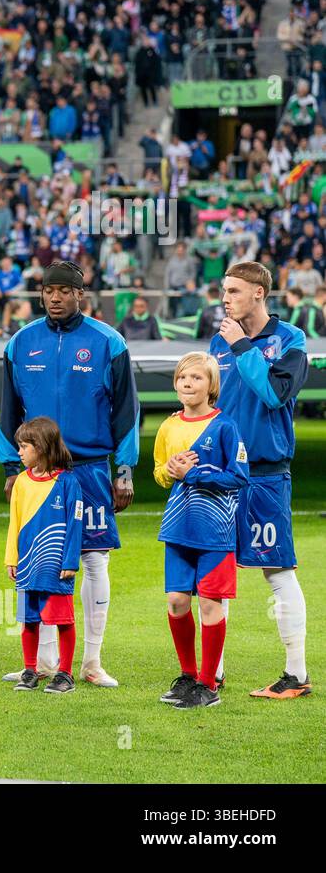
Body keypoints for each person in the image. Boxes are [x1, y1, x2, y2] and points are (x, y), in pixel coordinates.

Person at [0, 261, 139, 688]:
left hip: (90, 470)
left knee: (94, 562)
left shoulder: (108, 342)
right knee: (36, 563)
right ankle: (41, 662)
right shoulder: (21, 343)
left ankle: (91, 663)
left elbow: (127, 412)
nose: (55, 297)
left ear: (81, 294)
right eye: (48, 290)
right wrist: (10, 466)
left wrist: (125, 469)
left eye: (64, 290)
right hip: (40, 474)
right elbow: (9, 412)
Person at [209, 262, 312, 699]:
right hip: (219, 476)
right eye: (224, 290)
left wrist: (242, 347)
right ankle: (211, 672)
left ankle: (296, 676)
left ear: (258, 293)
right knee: (214, 573)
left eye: (233, 290)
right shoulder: (217, 341)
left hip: (266, 474)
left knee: (277, 570)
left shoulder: (291, 339)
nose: (225, 298)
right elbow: (211, 403)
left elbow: (274, 395)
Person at [154, 353, 247, 709]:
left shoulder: (225, 426)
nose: (188, 383)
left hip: (215, 531)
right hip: (178, 527)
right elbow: (161, 474)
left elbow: (239, 476)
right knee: (177, 602)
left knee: (210, 604)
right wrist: (171, 471)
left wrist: (191, 473)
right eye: (182, 377)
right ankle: (188, 675)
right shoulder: (168, 427)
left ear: (212, 386)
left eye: (196, 377)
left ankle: (208, 685)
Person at [5, 417, 83, 694]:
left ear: (41, 447)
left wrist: (71, 560)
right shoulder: (22, 482)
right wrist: (11, 557)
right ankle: (30, 670)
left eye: (24, 446)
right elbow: (14, 521)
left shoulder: (68, 482)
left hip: (56, 565)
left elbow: (76, 523)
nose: (19, 452)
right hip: (27, 563)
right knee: (28, 620)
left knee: (62, 620)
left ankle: (65, 674)